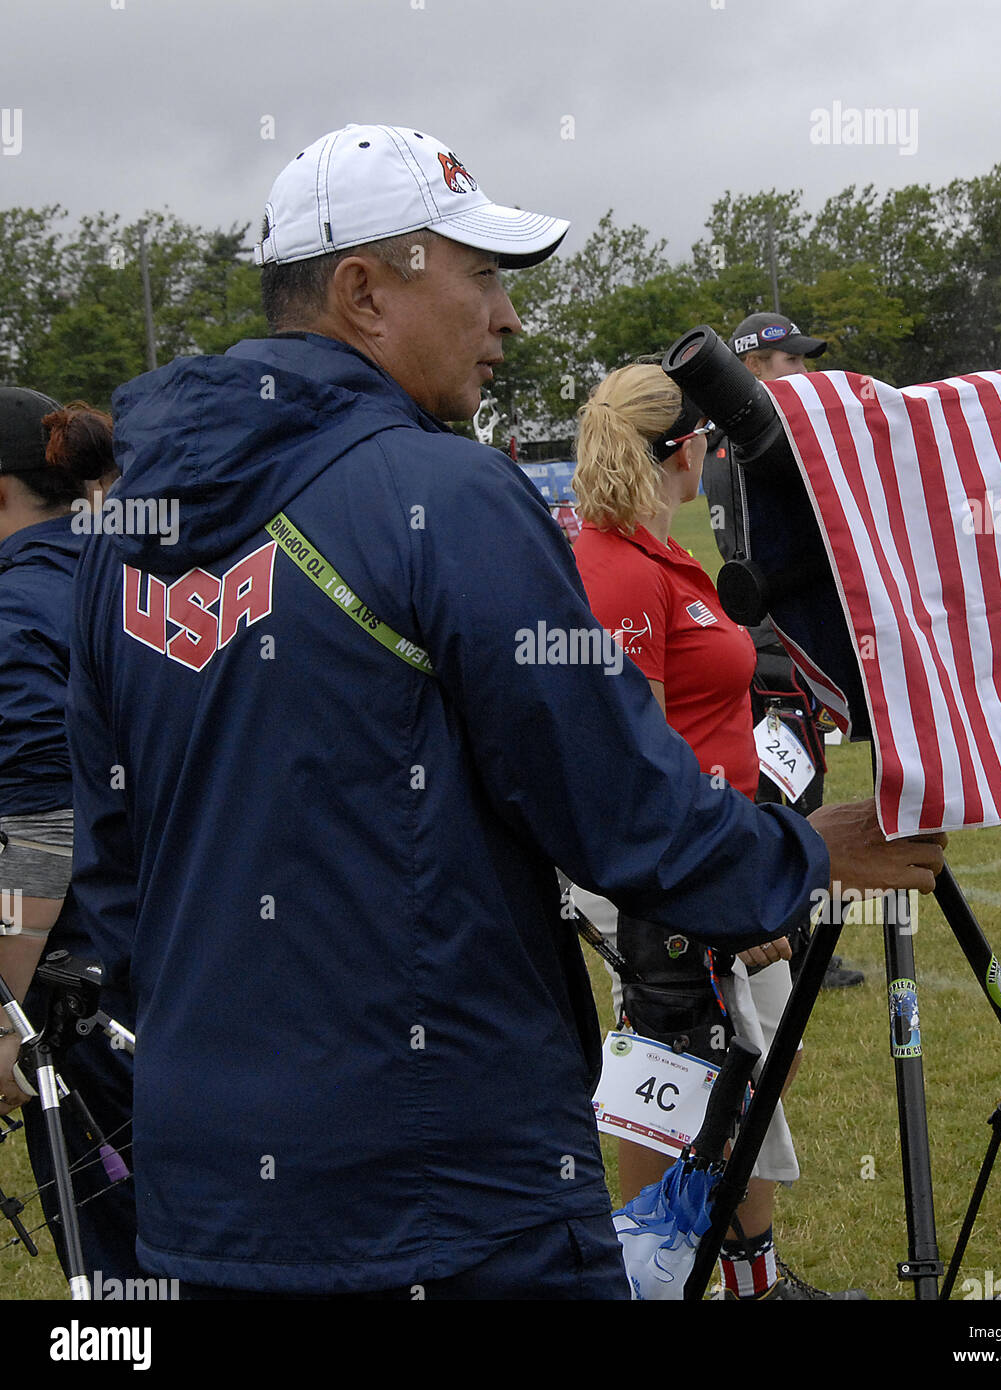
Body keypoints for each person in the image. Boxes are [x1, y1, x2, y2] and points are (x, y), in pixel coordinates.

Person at [66, 123, 945, 1298]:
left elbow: (106, 876)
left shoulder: (120, 533)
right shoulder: (447, 492)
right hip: (452, 1196)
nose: (510, 317)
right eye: (479, 276)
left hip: (205, 1195)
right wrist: (799, 851)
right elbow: (620, 804)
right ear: (362, 291)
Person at [571, 362, 864, 1299]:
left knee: (742, 1070)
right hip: (681, 874)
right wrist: (723, 898)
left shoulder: (656, 551)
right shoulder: (616, 565)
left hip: (719, 848)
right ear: (683, 444)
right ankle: (669, 1280)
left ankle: (738, 1279)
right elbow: (636, 760)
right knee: (682, 1078)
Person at [0, 392, 138, 1281]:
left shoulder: (16, 610)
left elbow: (40, 824)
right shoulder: (133, 576)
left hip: (94, 993)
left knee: (123, 1275)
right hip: (211, 966)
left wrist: (4, 1010)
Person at [708, 311, 866, 991]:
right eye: (790, 363)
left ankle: (792, 939)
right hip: (777, 640)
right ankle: (799, 948)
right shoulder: (754, 449)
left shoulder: (726, 446)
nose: (804, 373)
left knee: (791, 783)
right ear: (751, 368)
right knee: (794, 792)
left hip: (767, 638)